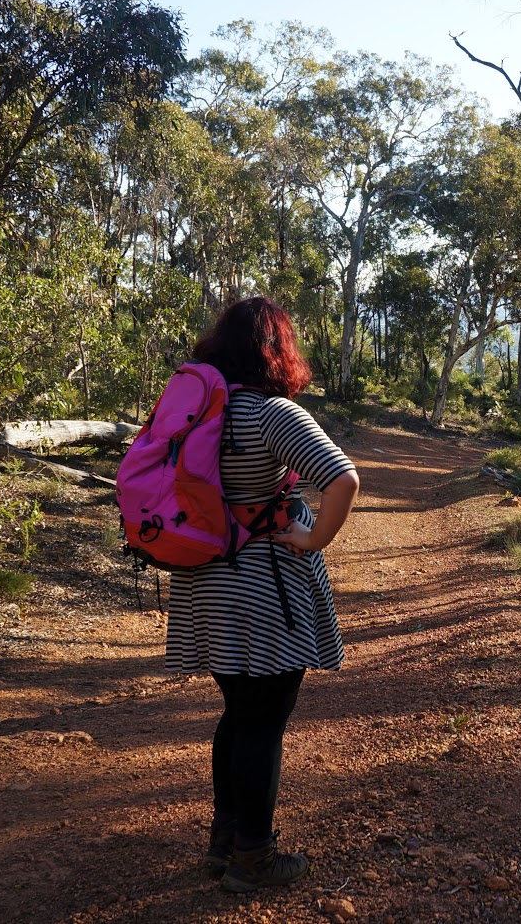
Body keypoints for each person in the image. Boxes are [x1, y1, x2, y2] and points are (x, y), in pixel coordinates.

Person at [164, 296, 360, 893]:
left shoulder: (197, 412)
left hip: (205, 579)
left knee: (238, 713)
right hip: (264, 586)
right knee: (264, 722)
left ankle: (223, 843)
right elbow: (343, 478)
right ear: (278, 352)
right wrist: (310, 537)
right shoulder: (270, 413)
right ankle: (254, 856)